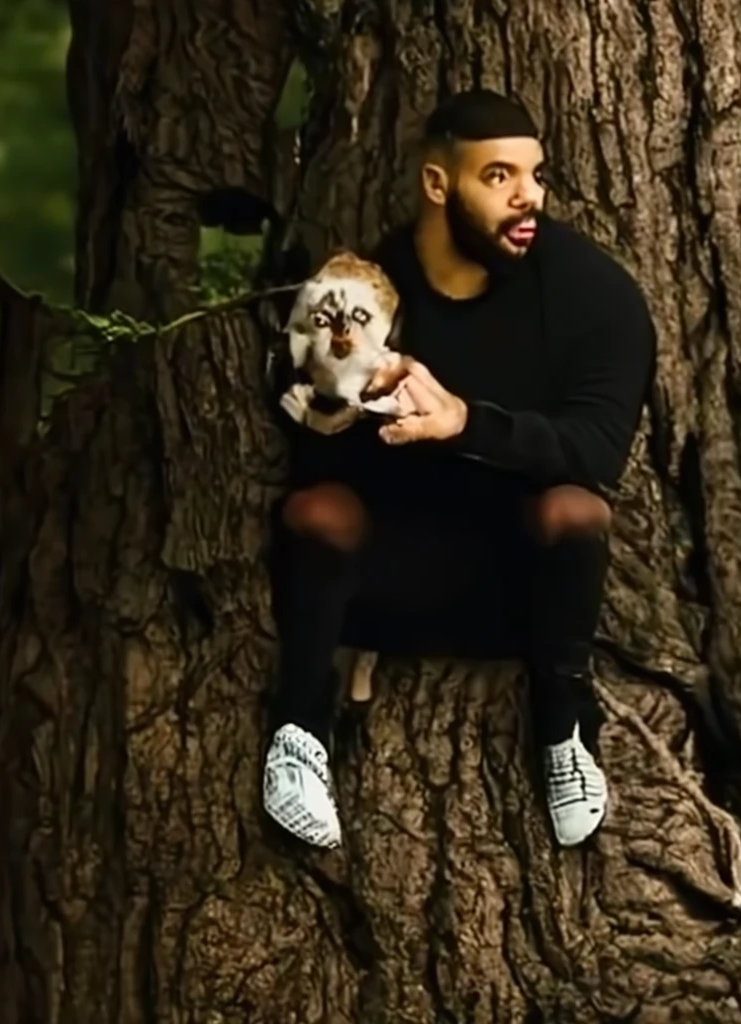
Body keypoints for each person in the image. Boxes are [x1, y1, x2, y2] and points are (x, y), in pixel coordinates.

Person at [263, 89, 657, 850]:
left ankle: (565, 727)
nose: (527, 199)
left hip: (516, 585)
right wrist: (346, 396)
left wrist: (464, 423)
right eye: (500, 177)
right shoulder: (363, 295)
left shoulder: (593, 295)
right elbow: (308, 448)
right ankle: (299, 731)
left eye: (535, 177)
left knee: (575, 512)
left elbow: (599, 450)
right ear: (439, 186)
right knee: (317, 511)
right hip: (386, 579)